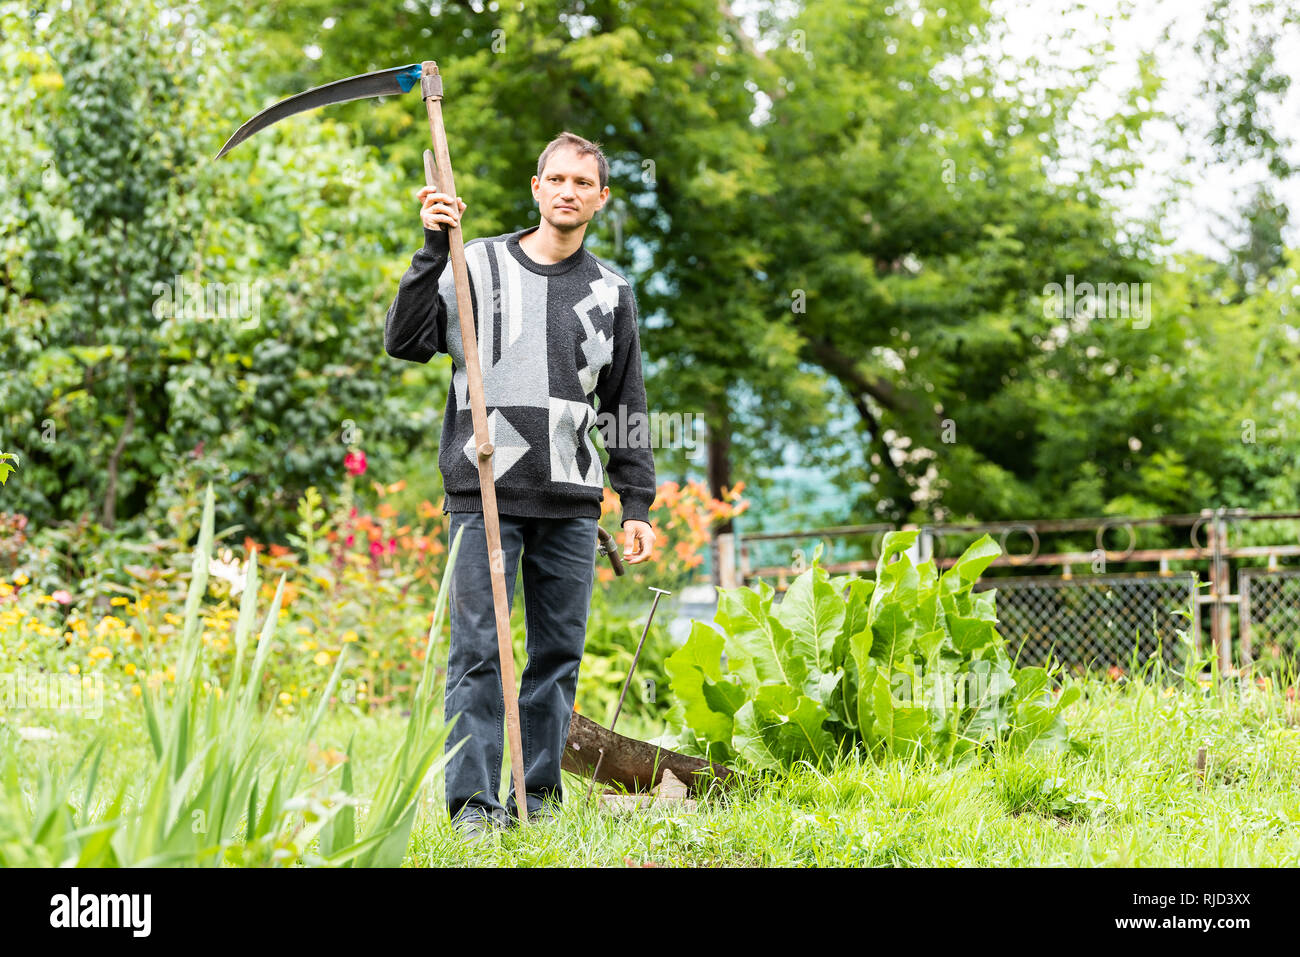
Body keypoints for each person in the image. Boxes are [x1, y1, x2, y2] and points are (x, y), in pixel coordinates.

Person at [384, 131, 657, 839]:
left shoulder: (611, 291)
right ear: (536, 189)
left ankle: (536, 799)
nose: (567, 191)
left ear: (600, 198)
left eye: (582, 183)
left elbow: (625, 403)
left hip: (571, 500)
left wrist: (638, 503)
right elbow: (406, 340)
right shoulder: (472, 263)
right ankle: (473, 806)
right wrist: (428, 247)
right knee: (478, 650)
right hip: (486, 489)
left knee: (557, 655)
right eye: (555, 179)